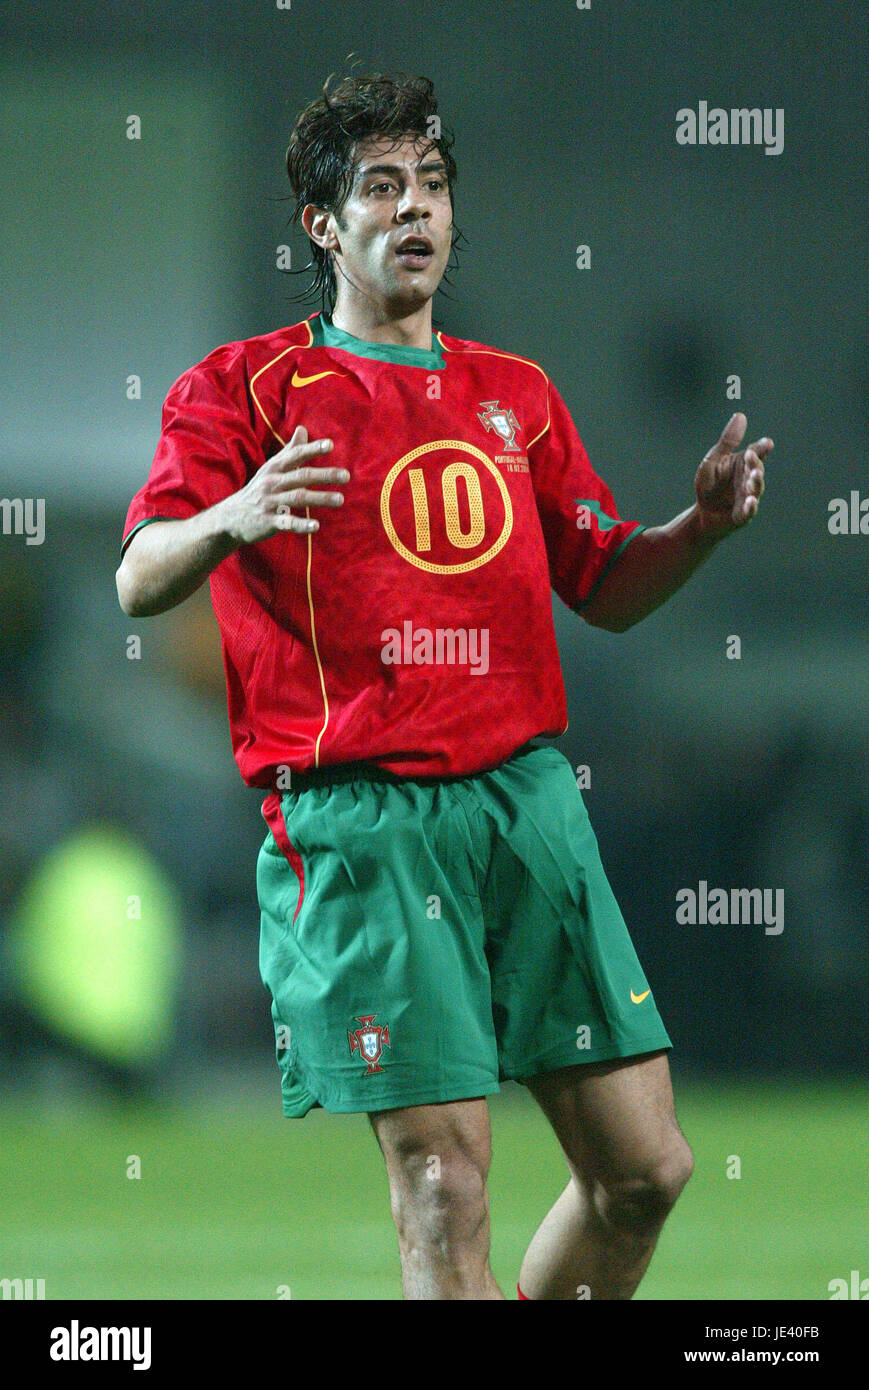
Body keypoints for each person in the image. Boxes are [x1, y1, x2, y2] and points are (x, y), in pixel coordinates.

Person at [116, 71, 772, 1300]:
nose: (414, 209)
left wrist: (696, 530)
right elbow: (138, 579)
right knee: (441, 1187)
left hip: (525, 806)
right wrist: (235, 512)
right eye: (380, 188)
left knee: (645, 1172)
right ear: (323, 226)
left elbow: (605, 582)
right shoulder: (242, 391)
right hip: (359, 822)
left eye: (430, 184)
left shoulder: (511, 395)